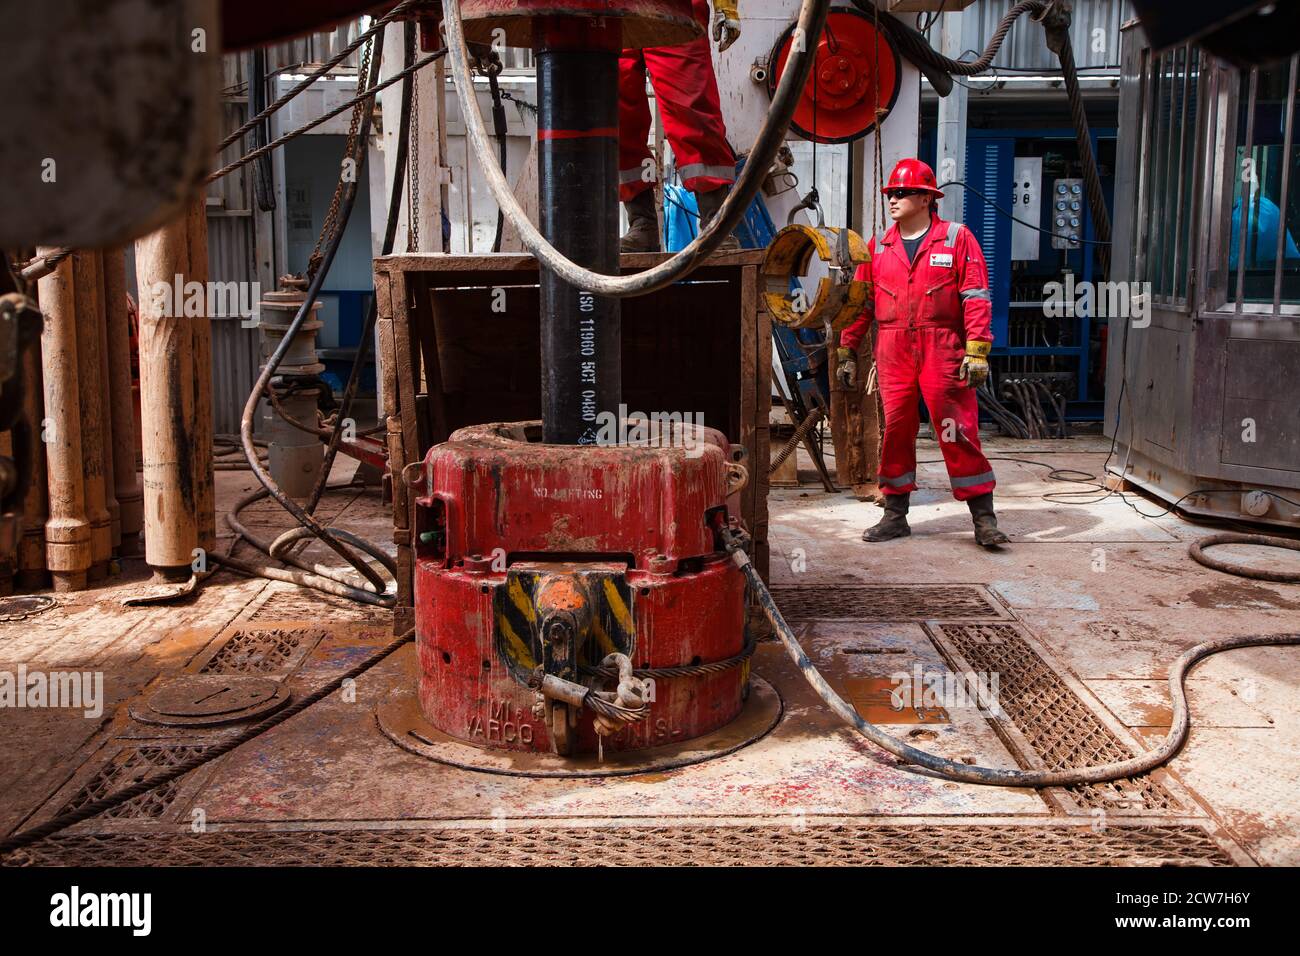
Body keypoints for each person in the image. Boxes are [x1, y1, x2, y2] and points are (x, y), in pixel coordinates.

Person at [835, 158, 1009, 548]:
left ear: (926, 198)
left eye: (901, 193)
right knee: (896, 430)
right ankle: (895, 515)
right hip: (893, 349)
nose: (893, 199)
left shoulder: (955, 238)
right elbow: (862, 304)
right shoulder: (879, 246)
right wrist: (847, 348)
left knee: (956, 430)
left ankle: (983, 519)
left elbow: (975, 296)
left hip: (943, 348)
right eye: (891, 194)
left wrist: (977, 350)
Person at [618, 0, 742, 253]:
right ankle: (642, 223)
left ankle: (715, 222)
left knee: (693, 113)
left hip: (674, 6)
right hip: (610, 9)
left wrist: (725, 5)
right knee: (616, 116)